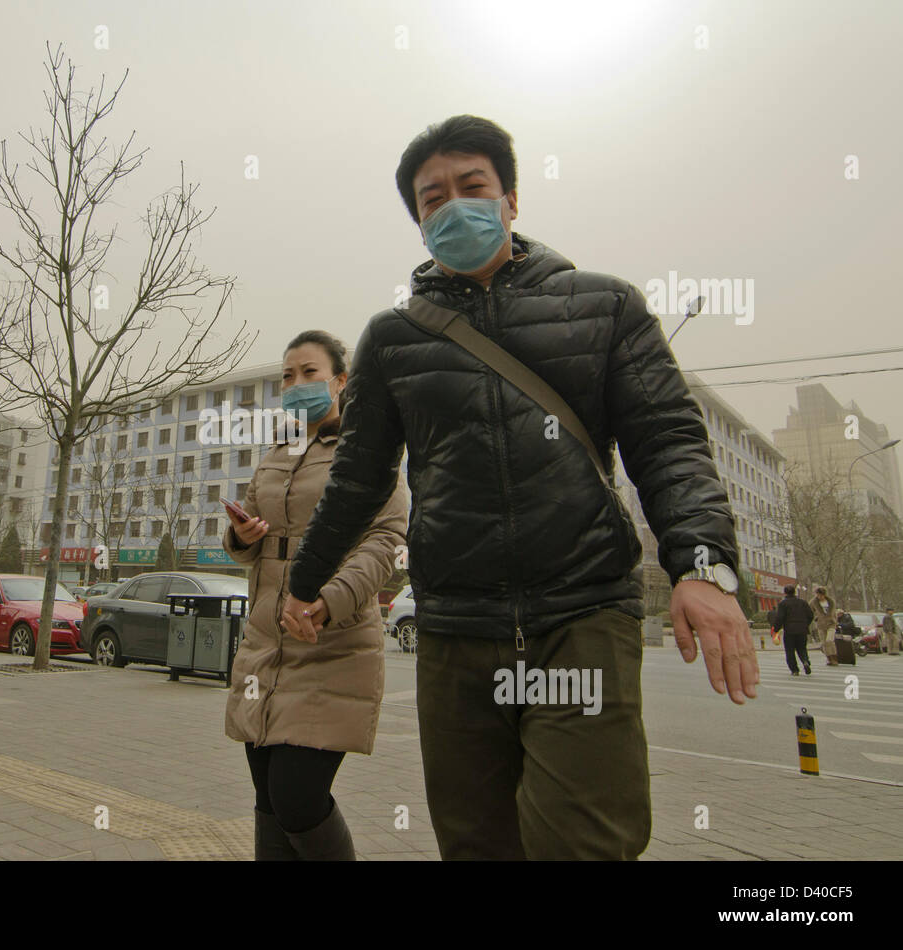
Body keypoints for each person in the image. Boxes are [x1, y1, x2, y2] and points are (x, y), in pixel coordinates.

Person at [282, 115, 754, 861]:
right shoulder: (393, 339)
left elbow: (667, 441)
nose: (454, 206)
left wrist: (701, 564)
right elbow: (359, 479)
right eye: (432, 198)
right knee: (477, 845)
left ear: (511, 199)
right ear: (419, 222)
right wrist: (305, 582)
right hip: (455, 633)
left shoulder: (606, 307)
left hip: (582, 616)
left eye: (473, 187)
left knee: (582, 842)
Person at [223, 330, 409, 861]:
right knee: (268, 801)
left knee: (298, 798)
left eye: (309, 372)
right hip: (266, 644)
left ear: (341, 380)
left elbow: (385, 541)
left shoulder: (370, 450)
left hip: (331, 643)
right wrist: (242, 535)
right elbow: (247, 543)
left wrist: (329, 598)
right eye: (288, 375)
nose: (297, 384)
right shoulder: (277, 453)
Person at [772, 585, 813, 676]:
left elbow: (780, 618)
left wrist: (776, 629)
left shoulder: (783, 604)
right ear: (795, 592)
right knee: (802, 648)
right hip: (802, 630)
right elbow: (810, 615)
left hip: (789, 631)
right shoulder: (803, 602)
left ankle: (794, 670)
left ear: (785, 593)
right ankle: (805, 661)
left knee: (790, 650)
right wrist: (805, 624)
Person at [811, 586, 837, 665]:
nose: (819, 597)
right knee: (824, 643)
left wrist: (835, 619)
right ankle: (829, 659)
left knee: (829, 640)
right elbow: (809, 610)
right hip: (821, 625)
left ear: (824, 594)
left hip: (831, 623)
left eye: (821, 595)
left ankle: (834, 657)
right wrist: (815, 617)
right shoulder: (814, 602)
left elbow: (834, 612)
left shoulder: (831, 601)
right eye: (818, 595)